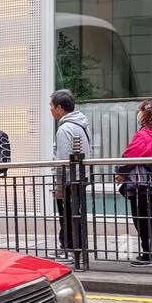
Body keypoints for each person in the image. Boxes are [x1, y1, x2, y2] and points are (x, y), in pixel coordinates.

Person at [116, 99, 152, 267]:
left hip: (140, 183)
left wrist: (120, 172)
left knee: (141, 219)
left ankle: (150, 253)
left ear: (146, 114)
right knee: (147, 217)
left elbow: (130, 156)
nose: (138, 114)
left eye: (140, 111)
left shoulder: (144, 134)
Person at [51, 89, 91, 254]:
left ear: (59, 107)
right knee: (75, 213)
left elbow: (62, 161)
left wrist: (59, 187)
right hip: (81, 176)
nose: (51, 110)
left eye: (51, 106)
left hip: (69, 180)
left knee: (66, 215)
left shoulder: (65, 129)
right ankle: (77, 246)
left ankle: (69, 247)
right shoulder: (81, 125)